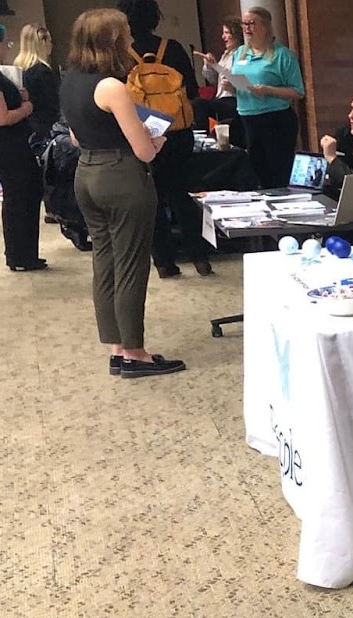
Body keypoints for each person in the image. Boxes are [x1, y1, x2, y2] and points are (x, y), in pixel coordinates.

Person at [63, 9, 184, 379]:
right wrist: (158, 139)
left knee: (105, 260)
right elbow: (144, 151)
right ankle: (136, 352)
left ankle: (116, 347)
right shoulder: (112, 87)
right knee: (132, 263)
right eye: (126, 34)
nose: (131, 39)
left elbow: (74, 136)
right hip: (121, 177)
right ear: (111, 40)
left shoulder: (69, 80)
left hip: (86, 173)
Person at [119, 0, 209, 278]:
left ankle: (164, 262)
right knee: (183, 194)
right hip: (178, 132)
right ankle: (200, 256)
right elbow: (192, 89)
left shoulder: (122, 55)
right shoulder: (172, 48)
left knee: (153, 198)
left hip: (144, 134)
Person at [0, 21, 46, 272]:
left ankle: (25, 253)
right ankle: (20, 255)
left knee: (26, 195)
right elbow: (1, 117)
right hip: (6, 146)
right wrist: (26, 108)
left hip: (9, 144)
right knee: (19, 198)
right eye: (5, 43)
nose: (8, 47)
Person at [230, 6, 304, 189]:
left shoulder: (282, 55)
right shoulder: (239, 53)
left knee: (277, 174)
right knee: (255, 173)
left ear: (265, 26)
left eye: (251, 23)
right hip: (247, 119)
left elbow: (298, 92)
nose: (246, 28)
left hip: (275, 120)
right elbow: (238, 85)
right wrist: (230, 86)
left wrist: (268, 90)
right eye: (244, 24)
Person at [192, 17, 242, 143]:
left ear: (236, 34)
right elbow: (214, 80)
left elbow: (238, 78)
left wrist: (216, 66)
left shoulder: (242, 55)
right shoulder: (225, 55)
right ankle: (202, 137)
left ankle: (203, 139)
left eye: (226, 33)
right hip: (221, 99)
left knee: (199, 104)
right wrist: (208, 65)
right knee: (198, 104)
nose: (223, 37)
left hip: (235, 99)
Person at [13, 23, 59, 149]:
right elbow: (52, 103)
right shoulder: (43, 71)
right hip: (46, 126)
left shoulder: (18, 69)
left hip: (26, 125)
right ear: (42, 42)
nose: (52, 44)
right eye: (50, 40)